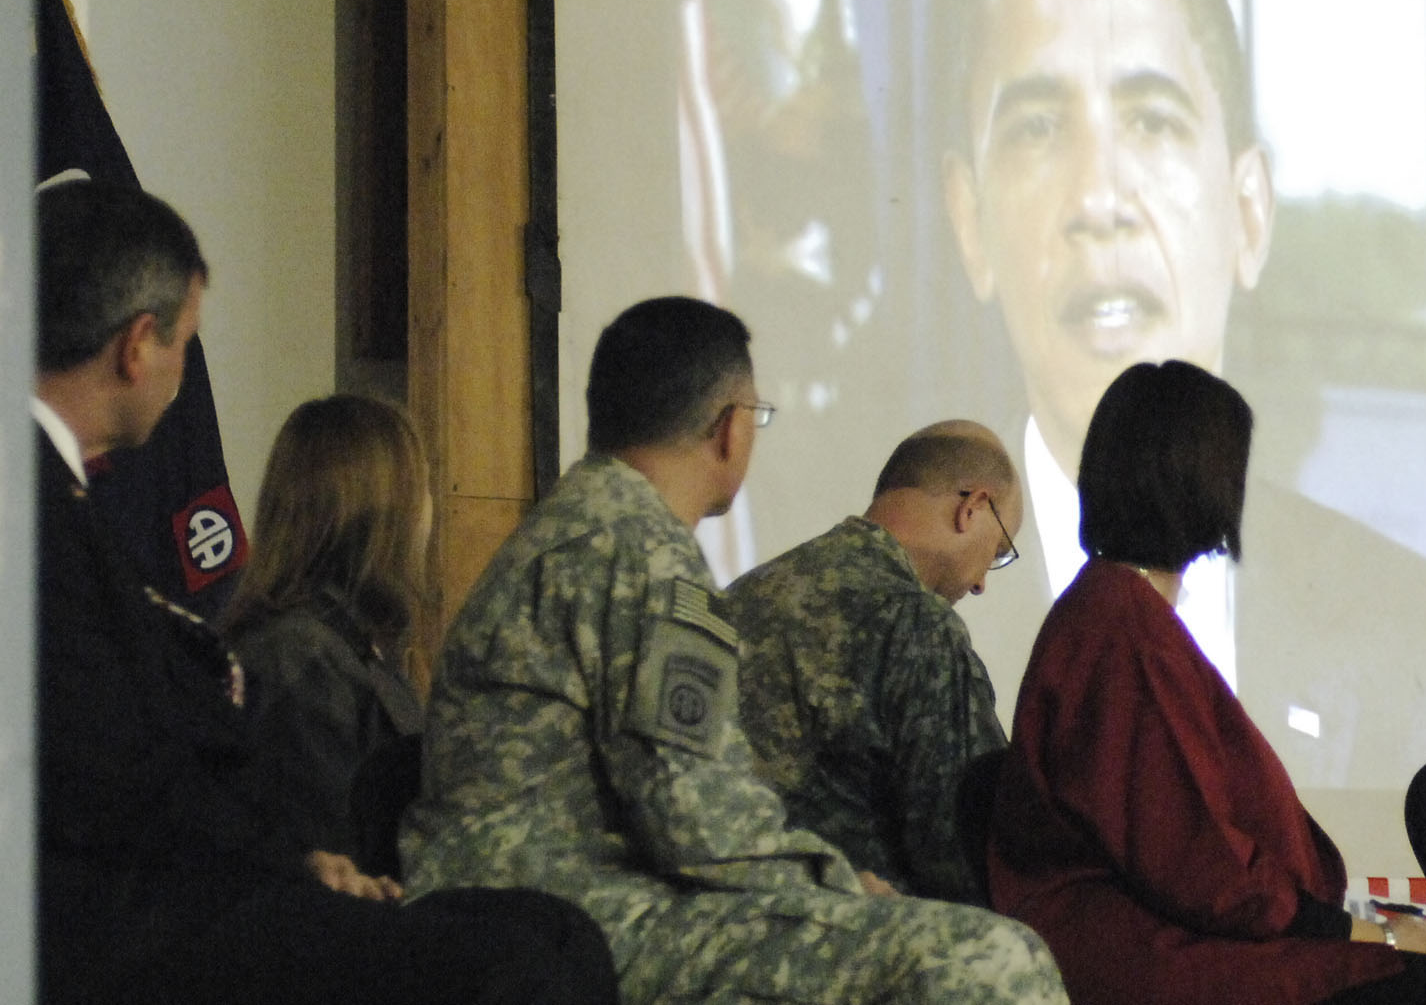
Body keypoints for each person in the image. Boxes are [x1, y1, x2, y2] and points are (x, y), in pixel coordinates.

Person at [941, 0, 1426, 789]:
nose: (1098, 199)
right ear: (970, 223)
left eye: (1153, 121)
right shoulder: (918, 629)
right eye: (1040, 127)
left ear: (1249, 214)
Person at [33, 179, 617, 1005]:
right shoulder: (35, 510)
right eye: (184, 346)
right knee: (521, 968)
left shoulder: (59, 503)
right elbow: (115, 775)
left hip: (168, 890)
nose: (179, 376)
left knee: (551, 932)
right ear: (137, 347)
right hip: (123, 924)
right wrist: (292, 867)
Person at [402, 296, 1067, 1005]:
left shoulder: (574, 532)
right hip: (567, 918)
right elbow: (699, 819)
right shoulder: (642, 555)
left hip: (509, 906)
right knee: (995, 959)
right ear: (728, 428)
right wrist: (844, 884)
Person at [988, 360, 1426, 1005]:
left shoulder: (1116, 615)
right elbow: (1202, 867)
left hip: (1207, 934)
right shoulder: (1120, 631)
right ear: (1202, 480)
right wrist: (1370, 935)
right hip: (1165, 956)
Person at [727, 420, 1021, 903]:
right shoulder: (917, 623)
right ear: (973, 508)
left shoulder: (745, 594)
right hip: (857, 946)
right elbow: (967, 859)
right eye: (998, 551)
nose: (980, 584)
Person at [218, 393, 432, 867]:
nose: (428, 513)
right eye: (421, 491)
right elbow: (326, 851)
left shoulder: (353, 646)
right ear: (384, 512)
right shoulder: (299, 657)